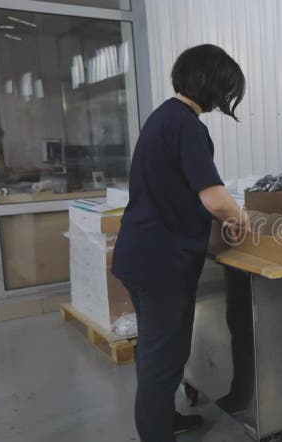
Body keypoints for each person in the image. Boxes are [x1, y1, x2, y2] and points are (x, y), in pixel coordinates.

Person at [112, 44, 250, 442]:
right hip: (162, 262)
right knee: (164, 355)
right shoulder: (188, 126)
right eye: (226, 88)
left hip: (139, 254)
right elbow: (212, 195)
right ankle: (156, 434)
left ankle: (164, 419)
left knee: (155, 350)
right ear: (209, 83)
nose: (226, 98)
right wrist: (240, 218)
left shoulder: (161, 119)